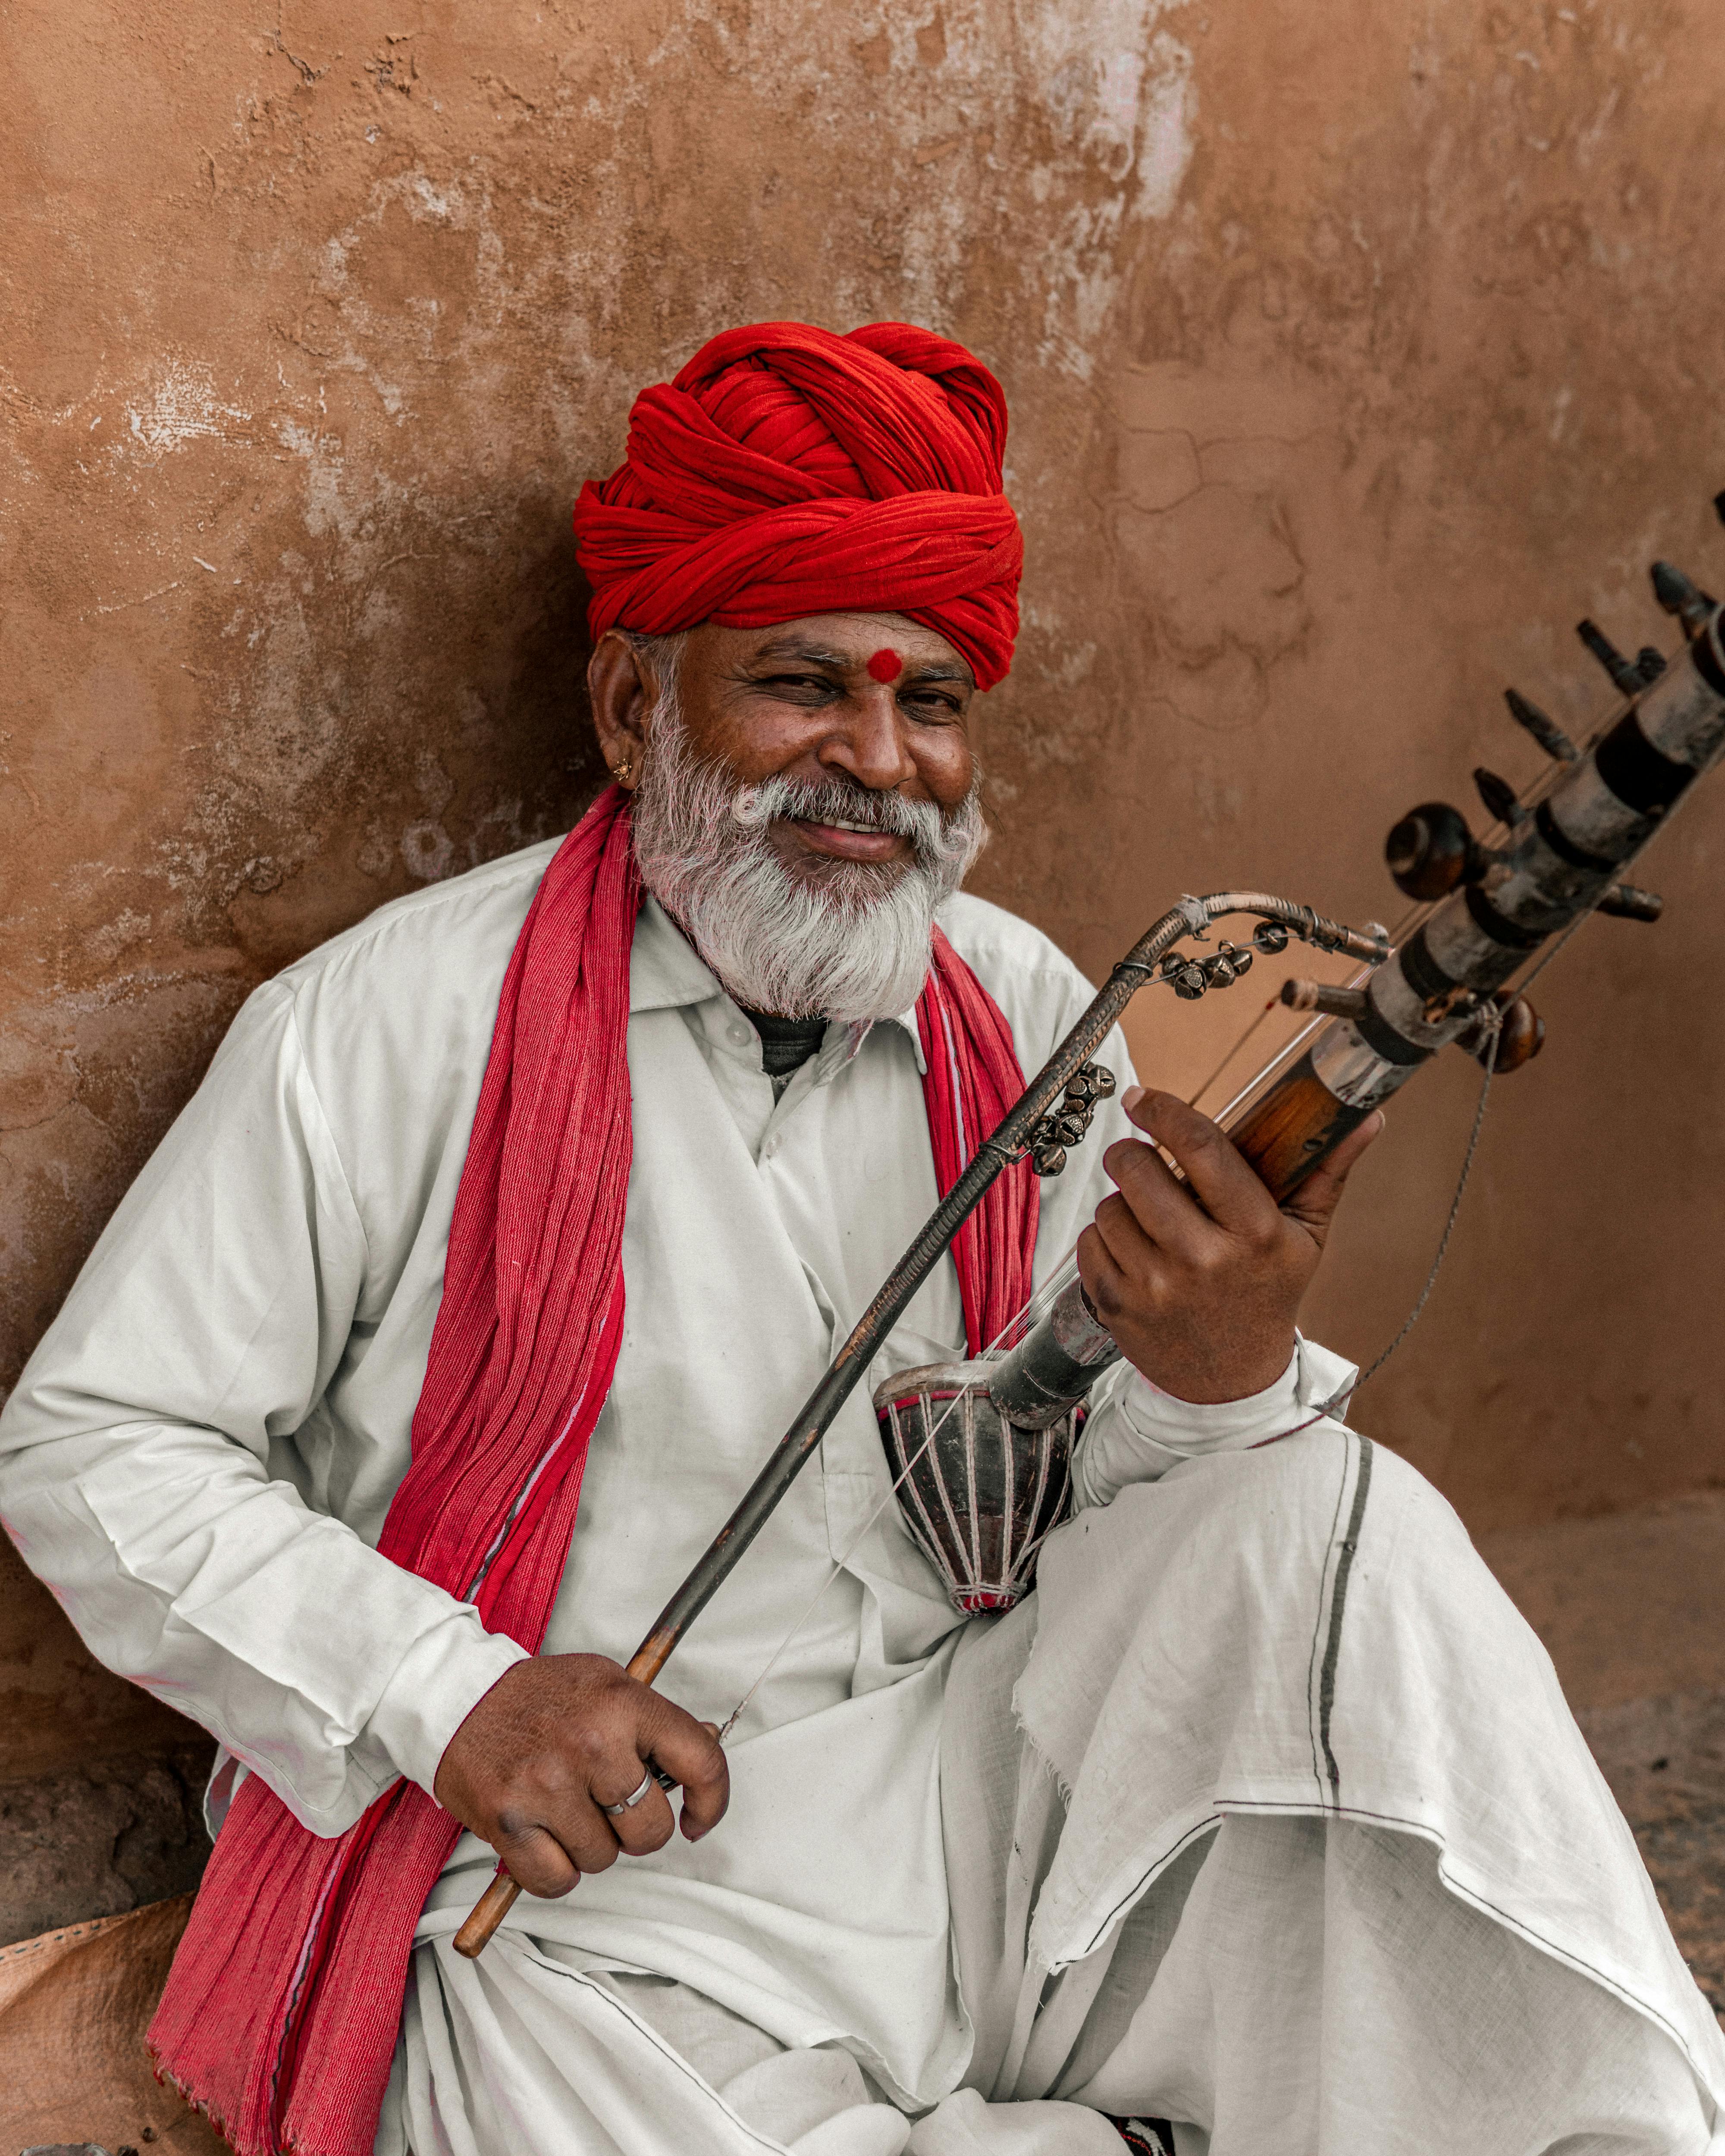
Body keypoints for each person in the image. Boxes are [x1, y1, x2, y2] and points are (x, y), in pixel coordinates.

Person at [0, 322, 1719, 2156]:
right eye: (803, 684)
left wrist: (1213, 1376)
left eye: (930, 700)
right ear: (629, 709)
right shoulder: (387, 1028)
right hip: (626, 1895)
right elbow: (96, 1444)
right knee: (546, 2072)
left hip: (995, 1802)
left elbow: (1109, 1480)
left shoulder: (1033, 1007)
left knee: (1332, 1511)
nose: (877, 761)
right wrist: (461, 1695)